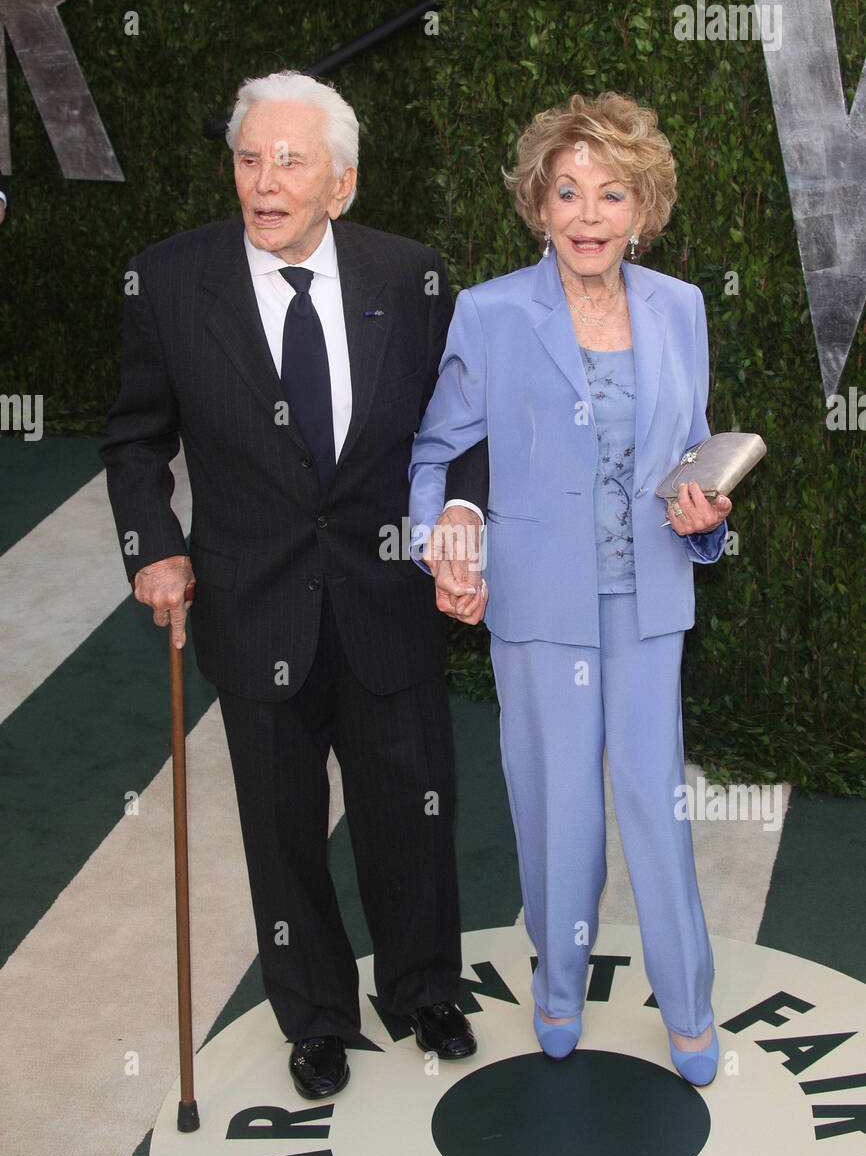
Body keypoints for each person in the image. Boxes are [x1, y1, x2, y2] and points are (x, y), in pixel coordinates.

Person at [102, 70, 488, 1101]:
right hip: (250, 601)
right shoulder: (170, 282)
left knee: (410, 813)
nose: (263, 183)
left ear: (342, 182)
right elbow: (136, 440)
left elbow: (458, 432)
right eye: (247, 158)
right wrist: (153, 542)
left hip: (386, 600)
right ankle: (314, 1014)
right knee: (280, 831)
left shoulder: (411, 278)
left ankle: (423, 988)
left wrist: (460, 517)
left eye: (290, 160)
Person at [410, 91, 732, 1086]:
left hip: (647, 603)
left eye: (611, 195)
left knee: (652, 809)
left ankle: (685, 1004)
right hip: (539, 609)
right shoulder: (492, 312)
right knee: (554, 809)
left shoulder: (678, 308)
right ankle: (557, 986)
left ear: (642, 210)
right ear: (536, 204)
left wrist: (706, 516)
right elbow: (435, 451)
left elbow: (690, 456)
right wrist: (442, 536)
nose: (587, 215)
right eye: (566, 192)